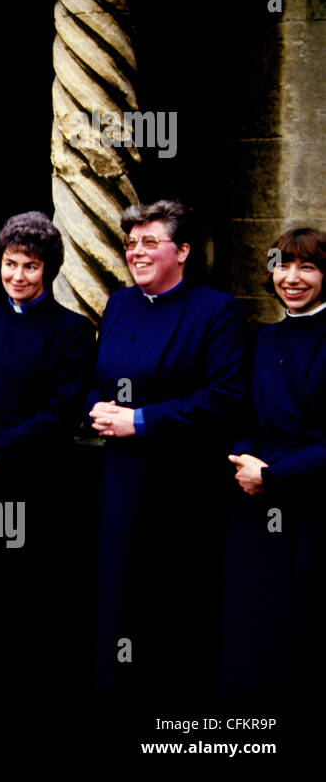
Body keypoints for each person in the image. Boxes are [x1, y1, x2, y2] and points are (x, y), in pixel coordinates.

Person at [89, 199, 244, 692]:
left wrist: (140, 419)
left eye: (150, 242)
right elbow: (101, 376)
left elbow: (223, 397)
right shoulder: (118, 304)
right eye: (131, 243)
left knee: (176, 606)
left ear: (182, 251)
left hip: (183, 485)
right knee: (120, 599)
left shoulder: (215, 309)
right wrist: (98, 408)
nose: (136, 252)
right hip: (120, 481)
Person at [0, 212, 96, 689]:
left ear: (48, 270)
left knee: (39, 596)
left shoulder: (72, 330)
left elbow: (61, 412)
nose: (18, 275)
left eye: (30, 267)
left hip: (41, 484)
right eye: (10, 264)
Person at [222, 227, 326, 692]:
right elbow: (244, 414)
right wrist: (248, 462)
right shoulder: (263, 339)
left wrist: (276, 475)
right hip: (257, 500)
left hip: (314, 503)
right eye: (283, 265)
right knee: (255, 632)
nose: (292, 277)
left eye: (308, 266)